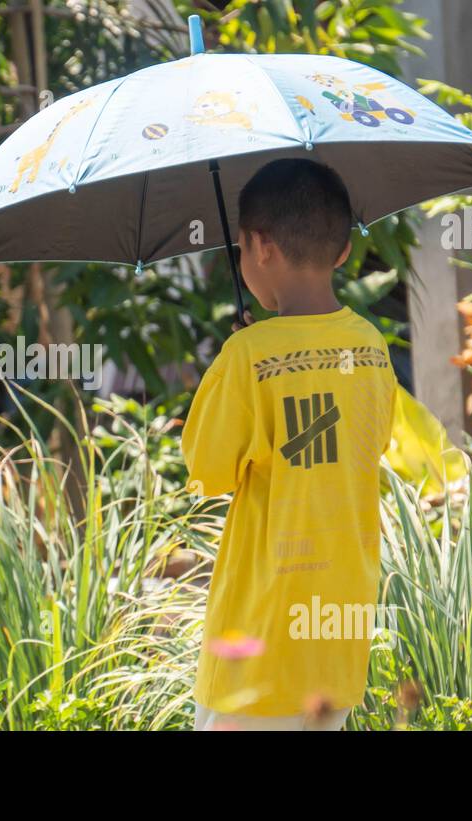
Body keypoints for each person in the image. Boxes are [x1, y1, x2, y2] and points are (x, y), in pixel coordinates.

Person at [182, 158, 397, 731]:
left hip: (258, 644)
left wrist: (236, 365)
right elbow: (373, 443)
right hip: (338, 637)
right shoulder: (371, 347)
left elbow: (208, 472)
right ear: (345, 250)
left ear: (259, 246)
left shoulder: (249, 357)